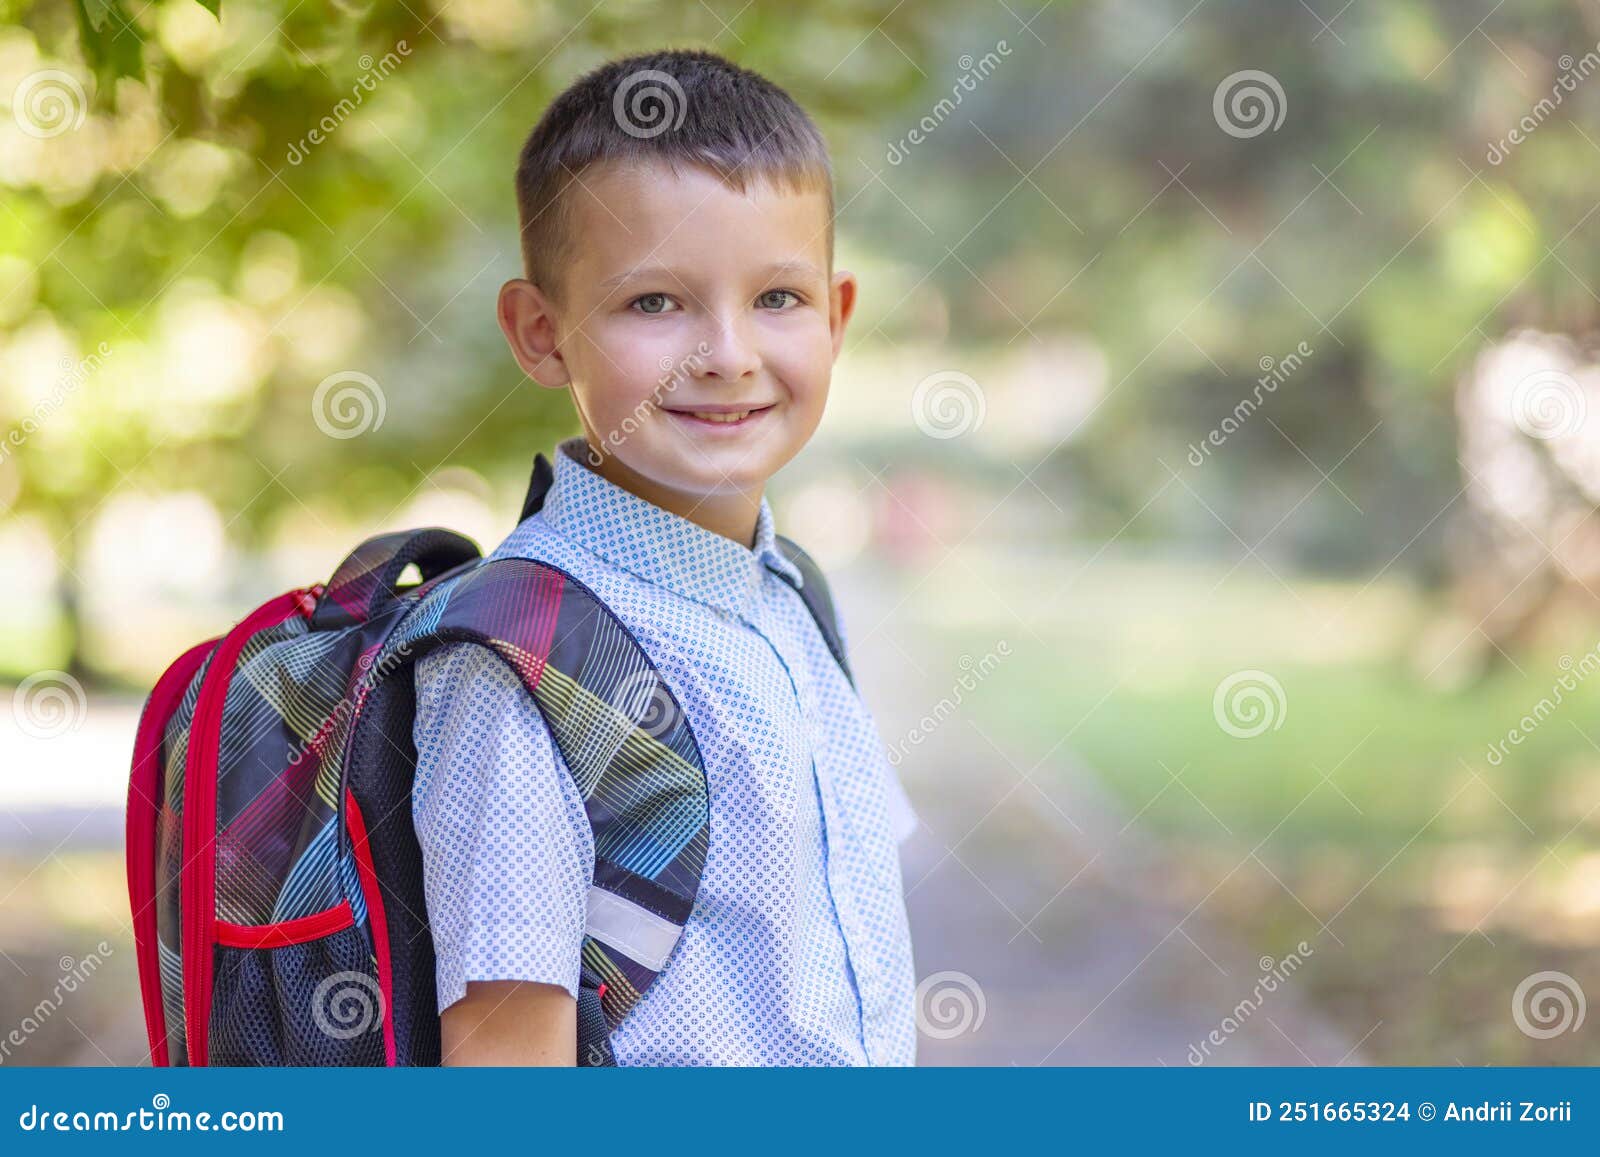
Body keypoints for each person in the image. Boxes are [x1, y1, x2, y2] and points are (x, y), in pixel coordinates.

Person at [410, 48, 919, 1066]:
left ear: (838, 314)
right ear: (542, 333)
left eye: (778, 297)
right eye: (655, 303)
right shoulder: (522, 663)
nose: (726, 353)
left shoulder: (793, 600)